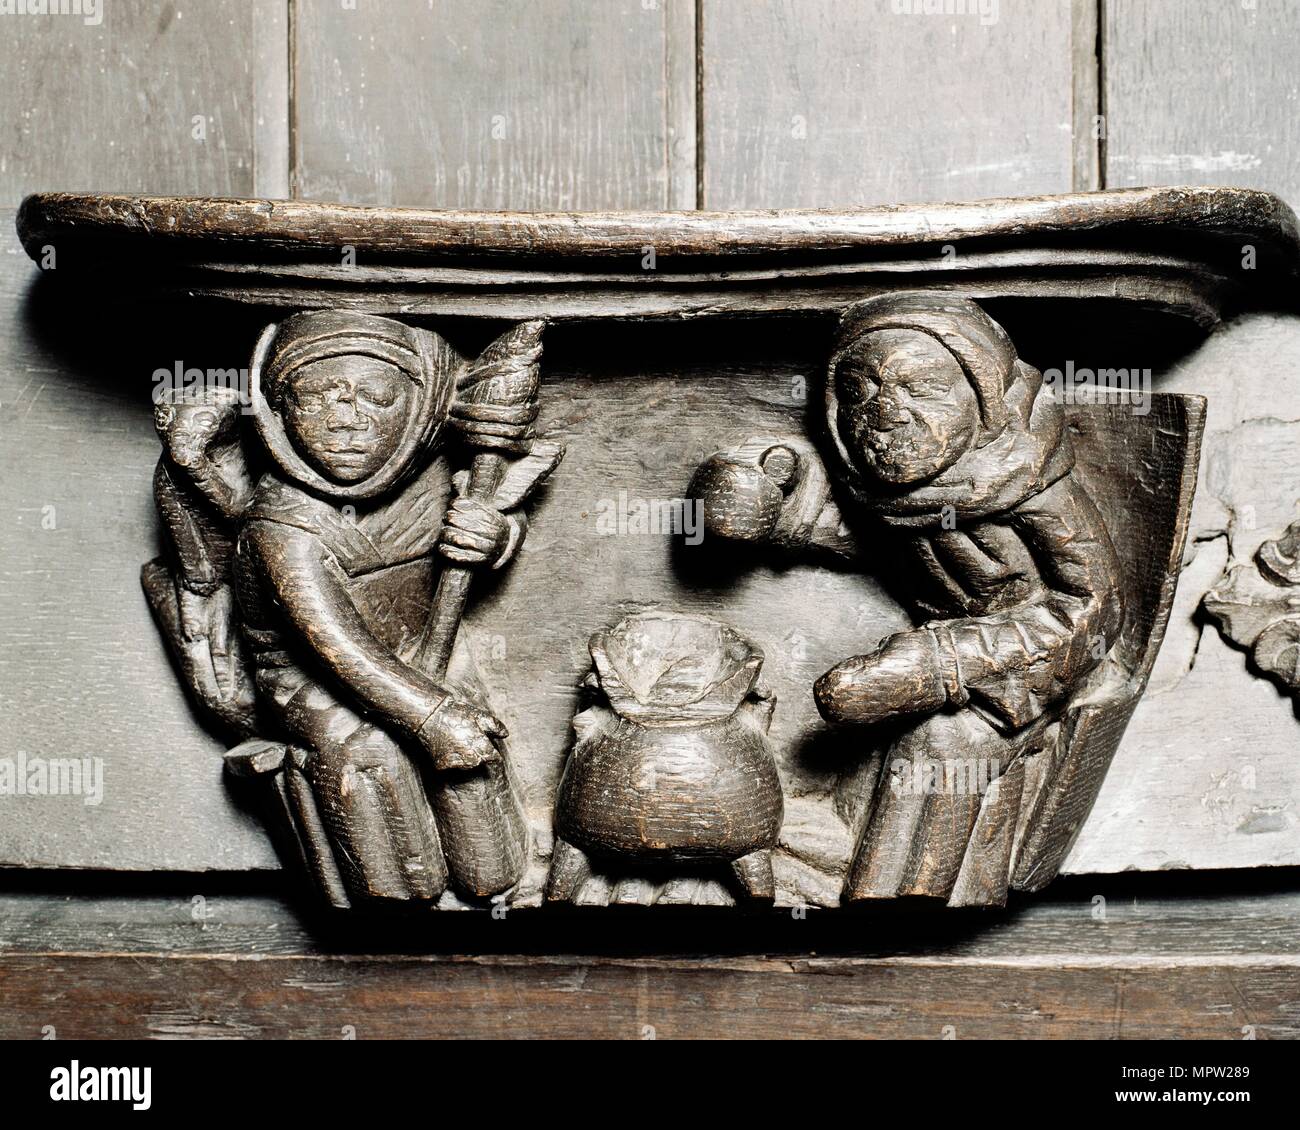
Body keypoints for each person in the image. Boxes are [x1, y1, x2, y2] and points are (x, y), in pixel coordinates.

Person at [690, 293, 1124, 905]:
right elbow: (888, 549)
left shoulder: (1028, 482)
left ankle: (903, 896)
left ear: (986, 400)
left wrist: (942, 665)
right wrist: (782, 506)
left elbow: (1095, 608)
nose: (885, 414)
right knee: (854, 734)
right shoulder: (893, 491)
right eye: (859, 391)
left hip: (1034, 663)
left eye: (924, 390)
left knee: (943, 745)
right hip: (947, 650)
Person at [234, 310, 530, 904]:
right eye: (317, 397)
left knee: (477, 751)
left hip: (424, 652)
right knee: (372, 755)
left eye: (375, 397)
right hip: (314, 682)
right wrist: (428, 718)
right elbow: (335, 645)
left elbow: (494, 517)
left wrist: (495, 538)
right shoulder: (283, 523)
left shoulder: (429, 482)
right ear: (279, 412)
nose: (346, 420)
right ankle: (398, 898)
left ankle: (494, 879)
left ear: (417, 410)